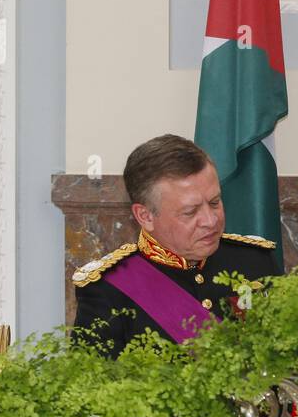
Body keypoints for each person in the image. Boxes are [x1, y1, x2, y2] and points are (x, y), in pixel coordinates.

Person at [73, 134, 281, 357]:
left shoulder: (254, 261)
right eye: (190, 212)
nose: (211, 221)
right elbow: (94, 388)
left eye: (214, 203)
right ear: (145, 216)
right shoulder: (109, 289)